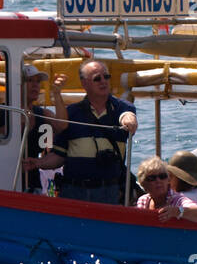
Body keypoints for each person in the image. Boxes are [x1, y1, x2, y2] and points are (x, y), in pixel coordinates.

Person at [24, 59, 137, 204]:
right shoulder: (72, 113)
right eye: (97, 78)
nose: (103, 81)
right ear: (84, 84)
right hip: (74, 190)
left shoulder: (121, 107)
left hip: (109, 191)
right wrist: (38, 163)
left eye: (106, 76)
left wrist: (129, 120)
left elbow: (128, 115)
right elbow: (59, 156)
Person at [20, 65, 67, 193]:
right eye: (30, 81)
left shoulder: (42, 114)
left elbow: (62, 126)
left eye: (38, 81)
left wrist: (57, 94)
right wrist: (12, 127)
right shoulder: (2, 111)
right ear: (18, 84)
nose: (35, 85)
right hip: (4, 179)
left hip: (33, 183)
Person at [135, 158, 197, 224]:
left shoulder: (176, 199)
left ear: (168, 180)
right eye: (152, 178)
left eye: (162, 176)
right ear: (143, 183)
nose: (158, 181)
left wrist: (177, 211)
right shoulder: (143, 200)